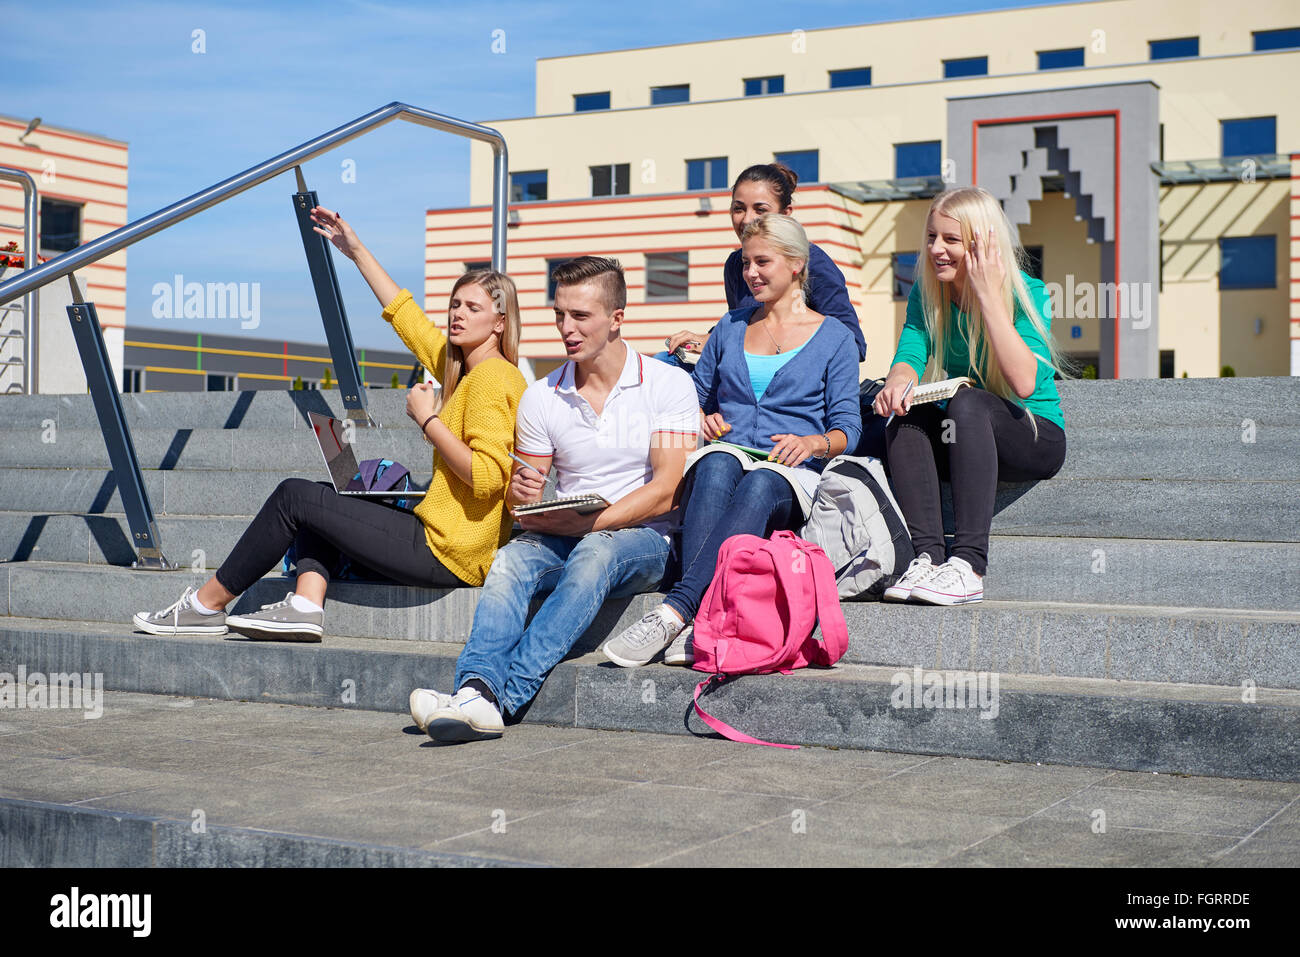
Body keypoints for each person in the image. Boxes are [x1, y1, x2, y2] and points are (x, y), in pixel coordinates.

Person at [132, 208, 526, 640]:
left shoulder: (492, 378)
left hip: (448, 551)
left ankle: (205, 607)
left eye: (473, 307)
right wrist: (355, 251)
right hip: (440, 541)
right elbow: (405, 316)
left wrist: (428, 418)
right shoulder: (462, 368)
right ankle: (304, 604)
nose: (458, 314)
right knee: (321, 499)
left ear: (500, 322)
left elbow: (487, 477)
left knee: (293, 497)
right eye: (455, 304)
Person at [408, 256, 699, 741]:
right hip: (567, 530)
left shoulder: (668, 385)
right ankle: (475, 687)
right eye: (560, 314)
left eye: (580, 316)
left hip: (646, 540)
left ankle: (500, 697)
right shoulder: (542, 397)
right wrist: (524, 493)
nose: (566, 327)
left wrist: (590, 524)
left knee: (596, 550)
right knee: (510, 561)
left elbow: (667, 490)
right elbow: (525, 488)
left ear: (617, 319)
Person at [602, 213, 861, 667]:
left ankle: (677, 610)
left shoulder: (835, 337)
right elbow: (692, 399)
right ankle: (704, 616)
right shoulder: (731, 326)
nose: (751, 274)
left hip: (790, 471)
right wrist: (701, 418)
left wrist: (813, 443)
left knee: (761, 481)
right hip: (727, 456)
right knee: (717, 463)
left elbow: (847, 428)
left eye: (763, 262)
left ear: (796, 264)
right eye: (745, 264)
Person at [874, 186, 1068, 606]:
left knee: (967, 401)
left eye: (951, 240)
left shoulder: (1029, 293)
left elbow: (1024, 384)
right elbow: (910, 352)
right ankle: (927, 557)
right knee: (907, 415)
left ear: (981, 245)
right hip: (967, 433)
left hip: (1034, 434)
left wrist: (986, 293)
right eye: (931, 237)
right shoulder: (929, 295)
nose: (936, 249)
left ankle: (968, 566)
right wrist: (897, 383)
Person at [657, 161, 866, 369]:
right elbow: (743, 326)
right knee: (664, 363)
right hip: (745, 373)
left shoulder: (815, 264)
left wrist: (784, 353)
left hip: (791, 384)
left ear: (786, 213)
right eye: (738, 209)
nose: (748, 219)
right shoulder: (735, 264)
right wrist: (709, 338)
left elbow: (853, 345)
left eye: (760, 209)